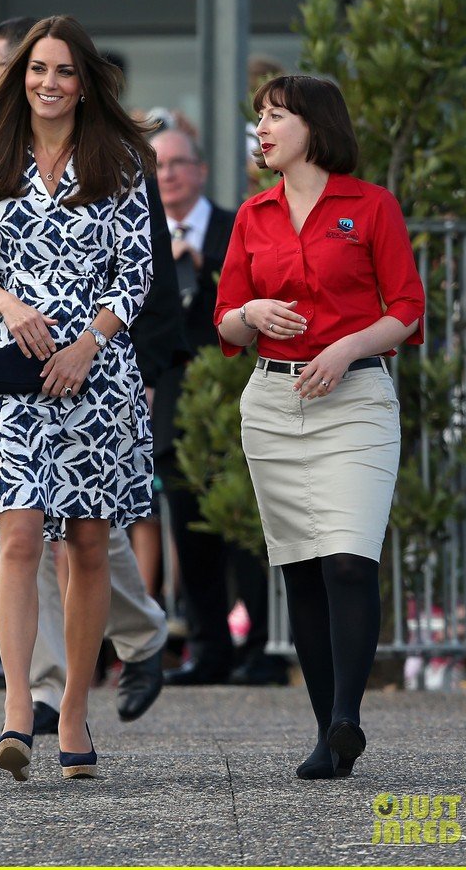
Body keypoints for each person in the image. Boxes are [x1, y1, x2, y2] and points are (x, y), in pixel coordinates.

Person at [0, 17, 180, 733]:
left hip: (93, 376)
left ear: (84, 80)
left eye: (64, 70)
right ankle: (16, 709)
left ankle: (72, 712)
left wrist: (87, 346)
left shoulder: (122, 160)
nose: (49, 82)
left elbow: (137, 274)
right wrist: (7, 306)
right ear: (20, 78)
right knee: (17, 540)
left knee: (90, 545)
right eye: (37, 69)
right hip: (11, 374)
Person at [214, 74, 425, 780]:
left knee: (346, 558)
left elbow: (407, 308)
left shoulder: (371, 206)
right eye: (260, 119)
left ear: (316, 124)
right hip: (273, 406)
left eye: (277, 116)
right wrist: (254, 316)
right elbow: (226, 317)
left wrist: (347, 346)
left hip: (356, 400)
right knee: (301, 567)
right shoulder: (253, 214)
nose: (263, 129)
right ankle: (323, 735)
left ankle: (347, 716)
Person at [149, 128, 285, 688]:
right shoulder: (143, 234)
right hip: (176, 402)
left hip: (239, 391)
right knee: (191, 529)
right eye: (159, 167)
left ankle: (262, 648)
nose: (170, 175)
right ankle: (208, 650)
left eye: (180, 163)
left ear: (202, 170)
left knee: (250, 529)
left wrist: (203, 265)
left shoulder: (239, 225)